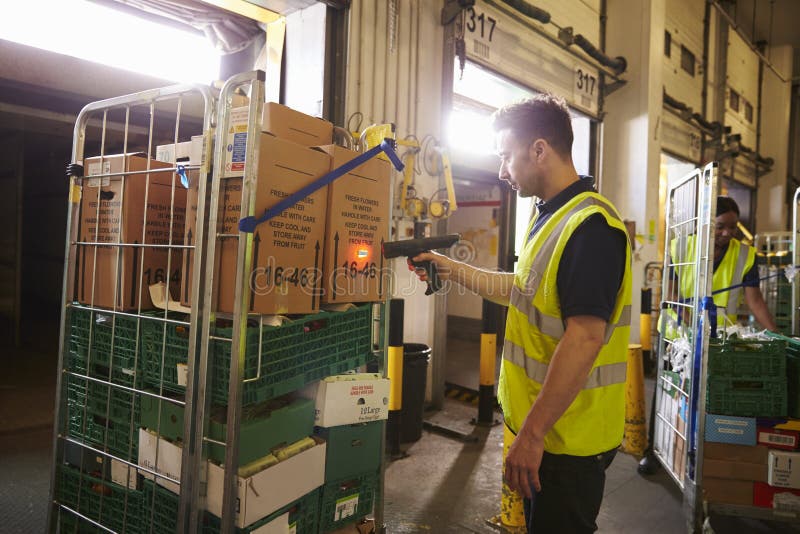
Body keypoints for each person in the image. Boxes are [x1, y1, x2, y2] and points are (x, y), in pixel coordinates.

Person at [409, 94, 632, 533]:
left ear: (539, 150)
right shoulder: (550, 215)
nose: (501, 171)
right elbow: (525, 291)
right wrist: (453, 270)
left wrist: (531, 436)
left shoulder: (591, 228)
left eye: (506, 156)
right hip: (549, 430)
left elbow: (584, 337)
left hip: (567, 439)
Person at [637, 195, 777, 475]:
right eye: (720, 226)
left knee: (710, 398)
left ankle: (701, 456)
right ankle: (653, 450)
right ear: (705, 224)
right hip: (678, 338)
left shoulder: (745, 254)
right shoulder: (680, 248)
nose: (727, 233)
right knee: (669, 392)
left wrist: (777, 338)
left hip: (720, 340)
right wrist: (693, 325)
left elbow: (755, 301)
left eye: (733, 228)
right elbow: (672, 292)